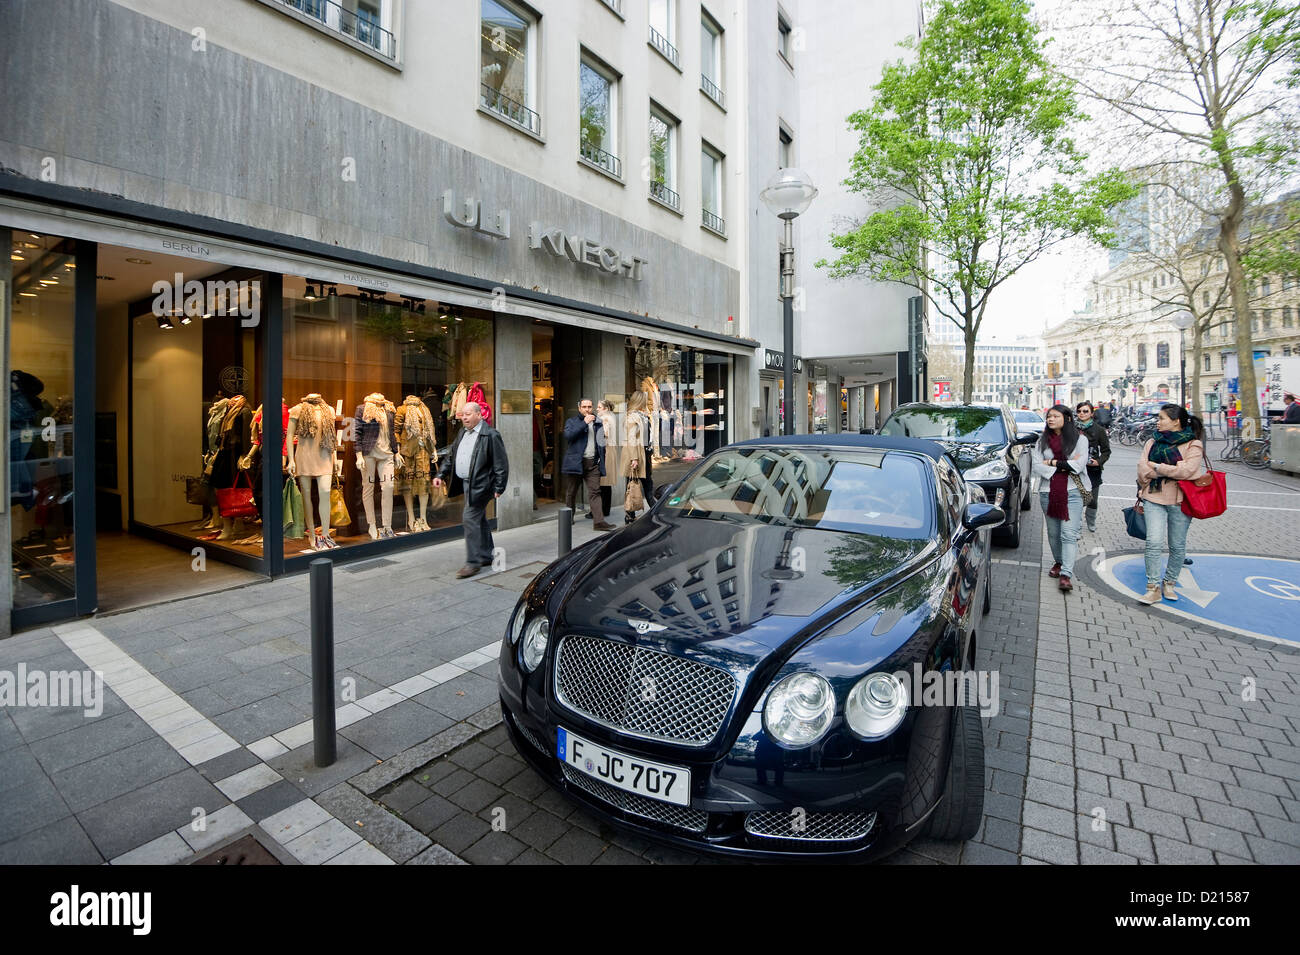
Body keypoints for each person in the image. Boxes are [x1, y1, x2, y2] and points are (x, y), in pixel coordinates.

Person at [1135, 404, 1205, 605]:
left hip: (1180, 501)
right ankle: (1153, 587)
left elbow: (1187, 472)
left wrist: (1156, 466)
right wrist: (1173, 468)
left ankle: (1170, 582)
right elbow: (1141, 470)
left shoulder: (1193, 445)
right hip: (1153, 497)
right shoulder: (1151, 441)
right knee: (1154, 542)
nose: (1158, 421)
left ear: (1176, 421)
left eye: (1162, 418)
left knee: (1177, 545)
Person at [433, 401, 509, 578]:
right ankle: (487, 554)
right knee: (479, 518)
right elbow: (451, 458)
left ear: (479, 415)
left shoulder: (490, 435)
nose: (464, 417)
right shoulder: (462, 433)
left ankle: (473, 562)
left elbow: (501, 464)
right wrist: (440, 475)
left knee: (469, 517)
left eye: (468, 414)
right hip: (467, 483)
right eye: (463, 414)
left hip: (482, 485)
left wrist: (500, 486)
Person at [1031, 404, 1089, 593]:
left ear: (1067, 419)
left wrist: (1054, 462)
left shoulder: (1080, 439)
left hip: (1072, 492)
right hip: (1048, 492)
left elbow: (1079, 465)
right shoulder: (1042, 440)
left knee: (1068, 534)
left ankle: (1066, 574)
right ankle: (1058, 561)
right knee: (1054, 534)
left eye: (1055, 416)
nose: (1051, 419)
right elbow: (1037, 466)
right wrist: (1064, 465)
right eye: (1049, 416)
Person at [561, 398, 614, 531]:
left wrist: (601, 459)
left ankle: (599, 522)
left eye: (589, 407)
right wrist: (584, 423)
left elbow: (601, 443)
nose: (587, 409)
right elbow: (568, 436)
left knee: (595, 492)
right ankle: (568, 518)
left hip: (592, 464)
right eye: (584, 407)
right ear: (579, 408)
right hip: (576, 463)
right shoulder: (572, 422)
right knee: (571, 492)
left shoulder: (598, 422)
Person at [1075, 401, 1111, 532]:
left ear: (1091, 413)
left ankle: (1091, 521)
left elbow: (1106, 450)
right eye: (1079, 411)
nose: (1082, 414)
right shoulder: (1072, 428)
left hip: (1093, 469)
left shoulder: (1099, 430)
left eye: (1085, 411)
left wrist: (1099, 461)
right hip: (1075, 468)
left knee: (1092, 499)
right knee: (1076, 497)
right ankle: (1077, 525)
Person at [622, 390, 654, 523]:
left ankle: (634, 514)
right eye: (644, 400)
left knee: (647, 485)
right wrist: (634, 458)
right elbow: (631, 439)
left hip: (644, 454)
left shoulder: (643, 416)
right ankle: (630, 514)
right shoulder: (632, 417)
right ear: (640, 401)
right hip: (635, 456)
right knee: (633, 485)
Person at [596, 399, 617, 520]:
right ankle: (606, 509)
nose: (597, 409)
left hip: (606, 452)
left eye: (599, 407)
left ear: (606, 408)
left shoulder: (605, 419)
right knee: (606, 483)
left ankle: (603, 510)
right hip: (610, 451)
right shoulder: (612, 417)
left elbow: (603, 434)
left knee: (603, 482)